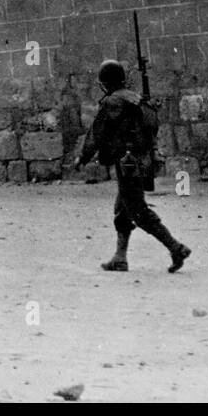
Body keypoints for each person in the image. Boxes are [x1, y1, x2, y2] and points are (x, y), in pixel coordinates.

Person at [77, 60, 189, 273]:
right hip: (143, 160)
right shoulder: (136, 99)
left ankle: (176, 248)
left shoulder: (112, 102)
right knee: (122, 208)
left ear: (104, 84)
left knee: (138, 211)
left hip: (127, 163)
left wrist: (81, 158)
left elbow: (97, 134)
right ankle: (120, 258)